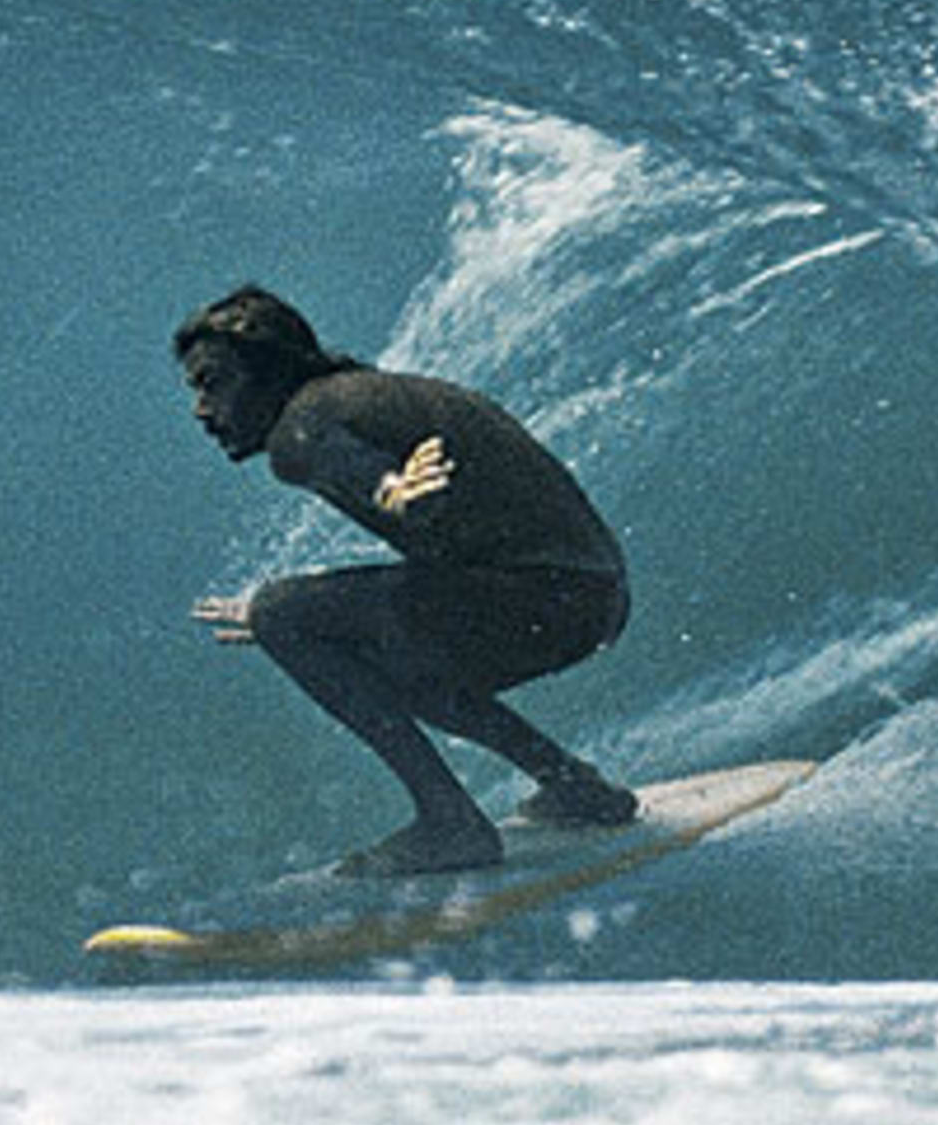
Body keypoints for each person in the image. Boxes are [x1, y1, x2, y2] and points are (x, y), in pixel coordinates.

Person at [176, 284, 642, 876]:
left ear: (270, 370)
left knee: (282, 614)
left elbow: (364, 471)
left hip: (546, 600)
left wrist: (394, 494)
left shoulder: (300, 428)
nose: (201, 409)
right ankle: (574, 787)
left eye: (214, 383)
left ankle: (451, 822)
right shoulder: (360, 396)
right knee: (378, 649)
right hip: (593, 598)